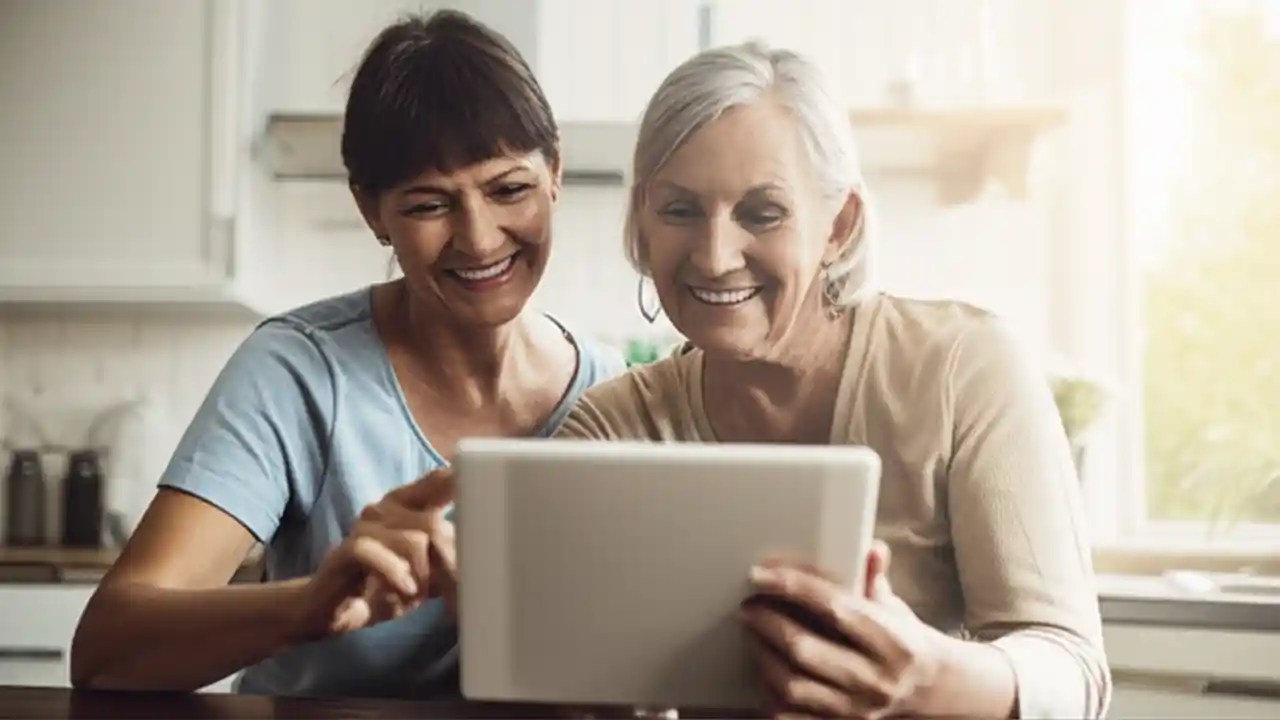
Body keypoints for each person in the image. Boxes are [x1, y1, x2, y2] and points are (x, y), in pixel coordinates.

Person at [70, 10, 624, 698]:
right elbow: (105, 651)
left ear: (555, 173)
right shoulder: (297, 373)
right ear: (371, 210)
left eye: (508, 188)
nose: (479, 240)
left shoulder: (616, 399)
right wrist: (306, 605)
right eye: (429, 205)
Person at [556, 42, 1111, 719]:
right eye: (679, 210)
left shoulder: (964, 369)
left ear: (839, 226)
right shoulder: (611, 431)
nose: (714, 254)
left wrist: (928, 677)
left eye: (762, 213)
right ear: (642, 221)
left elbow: (1075, 675)